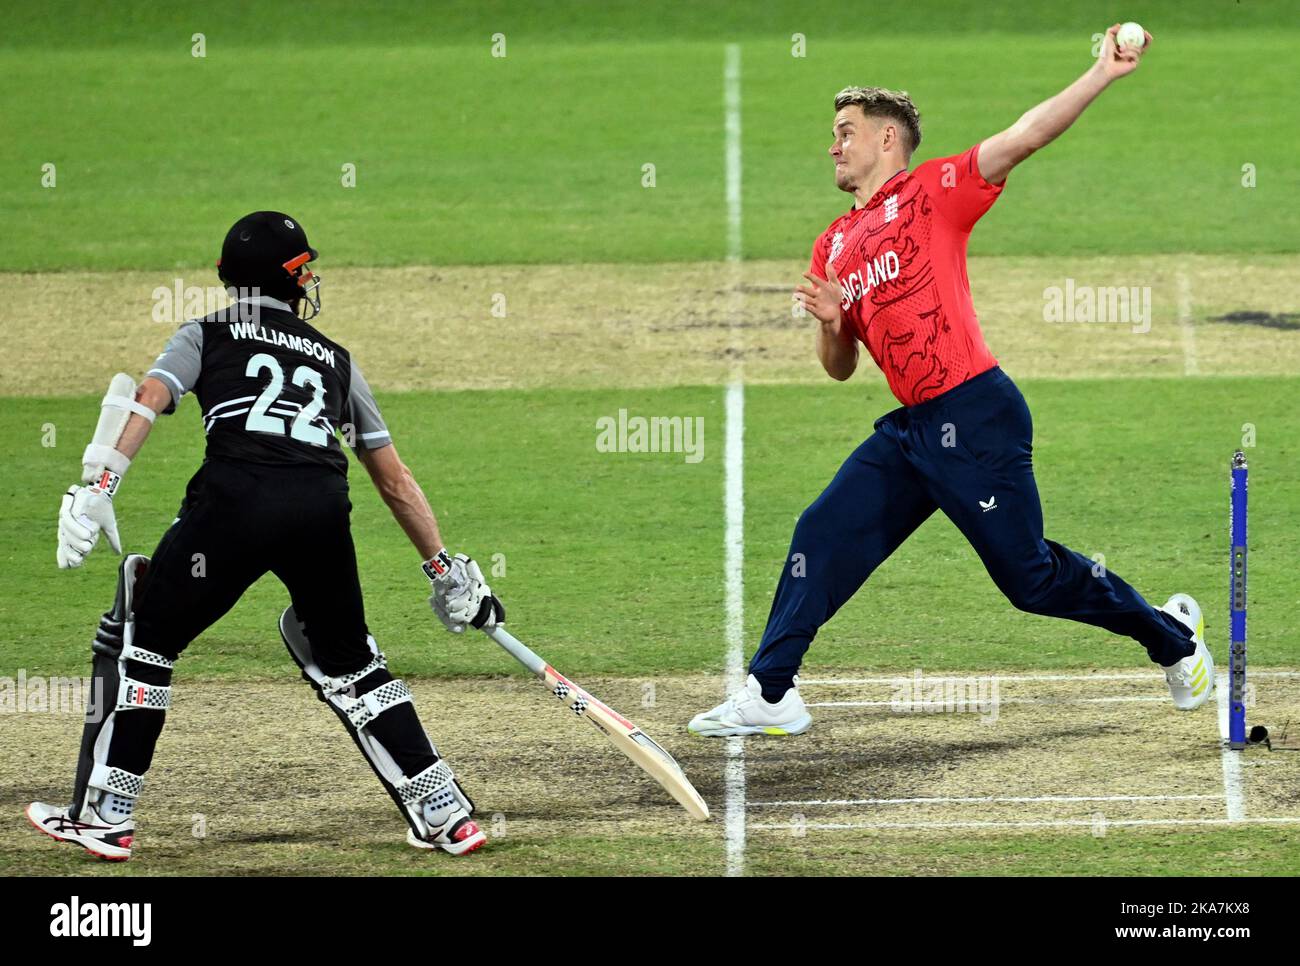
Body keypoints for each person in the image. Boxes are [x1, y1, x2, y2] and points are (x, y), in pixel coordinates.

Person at [689, 25, 1214, 738]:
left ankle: (1174, 638)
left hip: (975, 415)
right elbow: (840, 368)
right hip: (912, 430)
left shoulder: (937, 189)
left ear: (887, 141)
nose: (833, 145)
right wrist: (832, 320)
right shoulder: (833, 243)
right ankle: (772, 691)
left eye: (846, 131)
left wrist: (1102, 73)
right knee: (823, 529)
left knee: (1030, 580)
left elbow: (1026, 135)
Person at [28, 211, 501, 859]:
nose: (310, 280)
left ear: (228, 278)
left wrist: (99, 488)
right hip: (320, 509)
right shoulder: (337, 359)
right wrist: (444, 570)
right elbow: (394, 479)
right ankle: (446, 812)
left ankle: (107, 814)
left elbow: (147, 397)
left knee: (150, 642)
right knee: (355, 664)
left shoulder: (205, 333)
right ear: (291, 279)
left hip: (235, 502)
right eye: (304, 269)